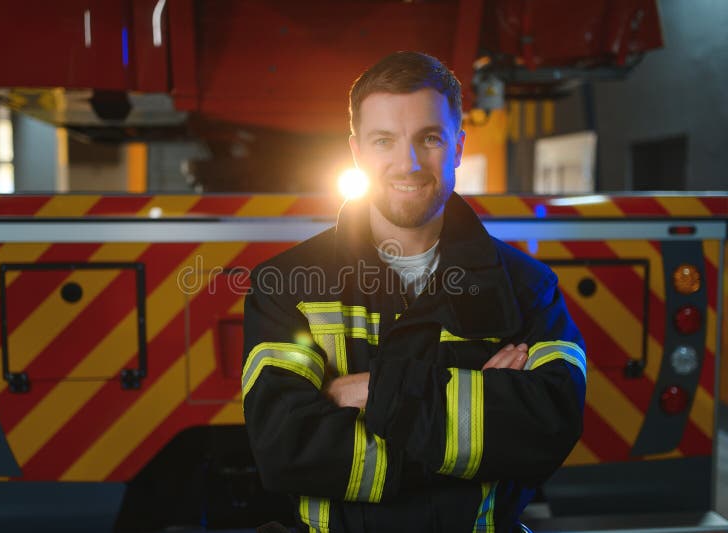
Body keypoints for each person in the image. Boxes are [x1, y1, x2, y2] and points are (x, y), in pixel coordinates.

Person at [241, 51, 586, 532]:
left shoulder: (527, 286)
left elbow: (546, 432)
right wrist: (473, 425)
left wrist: (366, 392)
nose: (407, 163)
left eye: (429, 139)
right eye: (385, 140)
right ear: (357, 152)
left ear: (458, 148)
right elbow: (284, 448)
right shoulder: (288, 284)